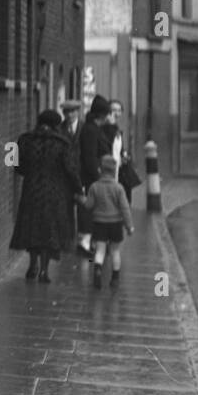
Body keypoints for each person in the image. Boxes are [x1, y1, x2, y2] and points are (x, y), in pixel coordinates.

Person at [10, 110, 80, 282]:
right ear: (56, 124)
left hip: (31, 191)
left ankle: (32, 264)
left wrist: (31, 172)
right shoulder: (62, 143)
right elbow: (70, 170)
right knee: (49, 232)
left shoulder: (24, 139)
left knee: (32, 228)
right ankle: (44, 270)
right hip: (54, 194)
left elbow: (16, 166)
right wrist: (78, 189)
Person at [79, 155, 135, 290]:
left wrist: (81, 199)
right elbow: (125, 208)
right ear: (114, 170)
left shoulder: (94, 187)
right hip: (115, 223)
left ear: (100, 170)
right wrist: (129, 226)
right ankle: (115, 279)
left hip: (99, 223)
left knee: (100, 250)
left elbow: (89, 205)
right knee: (115, 251)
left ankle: (98, 272)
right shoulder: (119, 188)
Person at [74, 95, 113, 257]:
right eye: (107, 113)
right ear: (102, 114)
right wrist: (99, 177)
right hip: (91, 178)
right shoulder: (90, 130)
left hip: (95, 177)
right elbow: (90, 158)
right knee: (89, 210)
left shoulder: (95, 129)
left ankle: (91, 242)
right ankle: (84, 243)